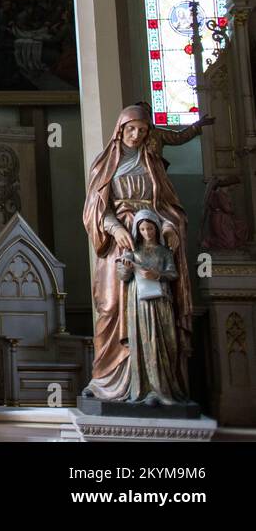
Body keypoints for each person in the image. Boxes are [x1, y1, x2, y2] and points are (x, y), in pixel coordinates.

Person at [81, 105, 196, 402]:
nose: (136, 135)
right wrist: (114, 227)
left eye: (142, 131)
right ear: (120, 130)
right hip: (118, 244)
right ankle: (108, 380)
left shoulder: (153, 164)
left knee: (154, 309)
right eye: (131, 129)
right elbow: (95, 207)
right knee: (110, 307)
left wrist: (169, 227)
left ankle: (154, 385)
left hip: (149, 242)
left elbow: (169, 206)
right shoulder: (105, 164)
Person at [117, 210, 188, 405]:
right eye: (142, 229)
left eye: (150, 228)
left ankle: (164, 389)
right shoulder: (134, 252)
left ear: (156, 229)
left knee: (166, 342)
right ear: (137, 230)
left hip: (161, 300)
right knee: (143, 342)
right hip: (139, 303)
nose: (147, 232)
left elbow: (173, 274)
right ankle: (143, 390)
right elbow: (123, 278)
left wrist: (157, 275)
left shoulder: (164, 252)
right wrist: (125, 267)